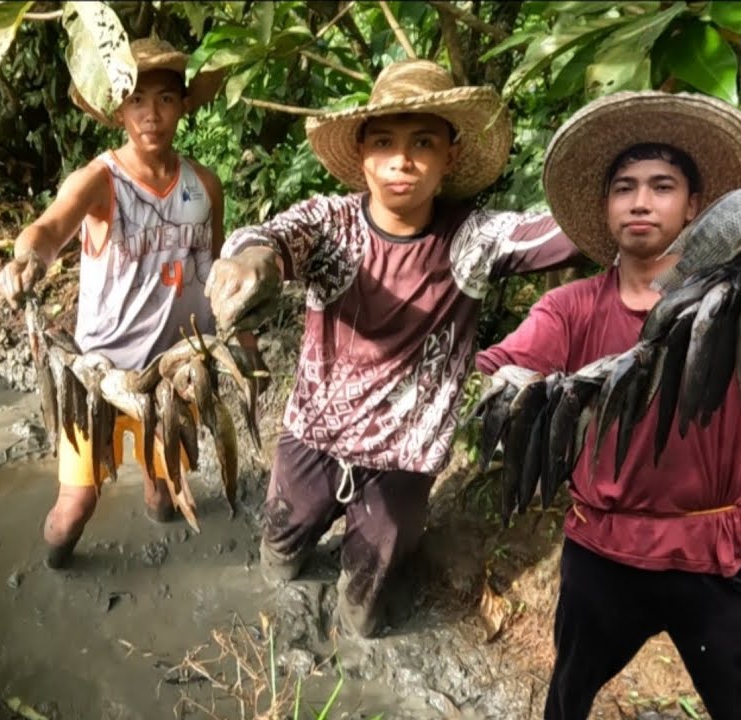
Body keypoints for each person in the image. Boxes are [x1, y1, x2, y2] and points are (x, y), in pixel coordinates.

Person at [476, 89, 741, 719]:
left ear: (694, 206)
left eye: (662, 187)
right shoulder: (570, 308)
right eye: (624, 188)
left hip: (714, 553)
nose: (641, 202)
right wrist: (503, 384)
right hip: (601, 552)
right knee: (567, 701)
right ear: (606, 208)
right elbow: (500, 367)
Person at [203, 59, 582, 638]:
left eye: (422, 142)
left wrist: (639, 195)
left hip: (404, 460)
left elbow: (565, 231)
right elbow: (272, 239)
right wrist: (250, 264)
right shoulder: (330, 226)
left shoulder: (471, 240)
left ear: (450, 155)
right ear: (362, 155)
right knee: (279, 560)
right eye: (384, 142)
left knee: (362, 615)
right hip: (314, 437)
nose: (401, 160)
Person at [0, 38, 227, 569]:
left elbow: (215, 270)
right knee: (75, 507)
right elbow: (49, 229)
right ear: (119, 109)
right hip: (98, 377)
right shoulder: (99, 181)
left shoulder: (205, 187)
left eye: (165, 99)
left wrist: (237, 342)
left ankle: (160, 514)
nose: (151, 115)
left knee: (164, 495)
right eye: (136, 99)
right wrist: (28, 259)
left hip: (172, 374)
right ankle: (52, 565)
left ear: (183, 105)